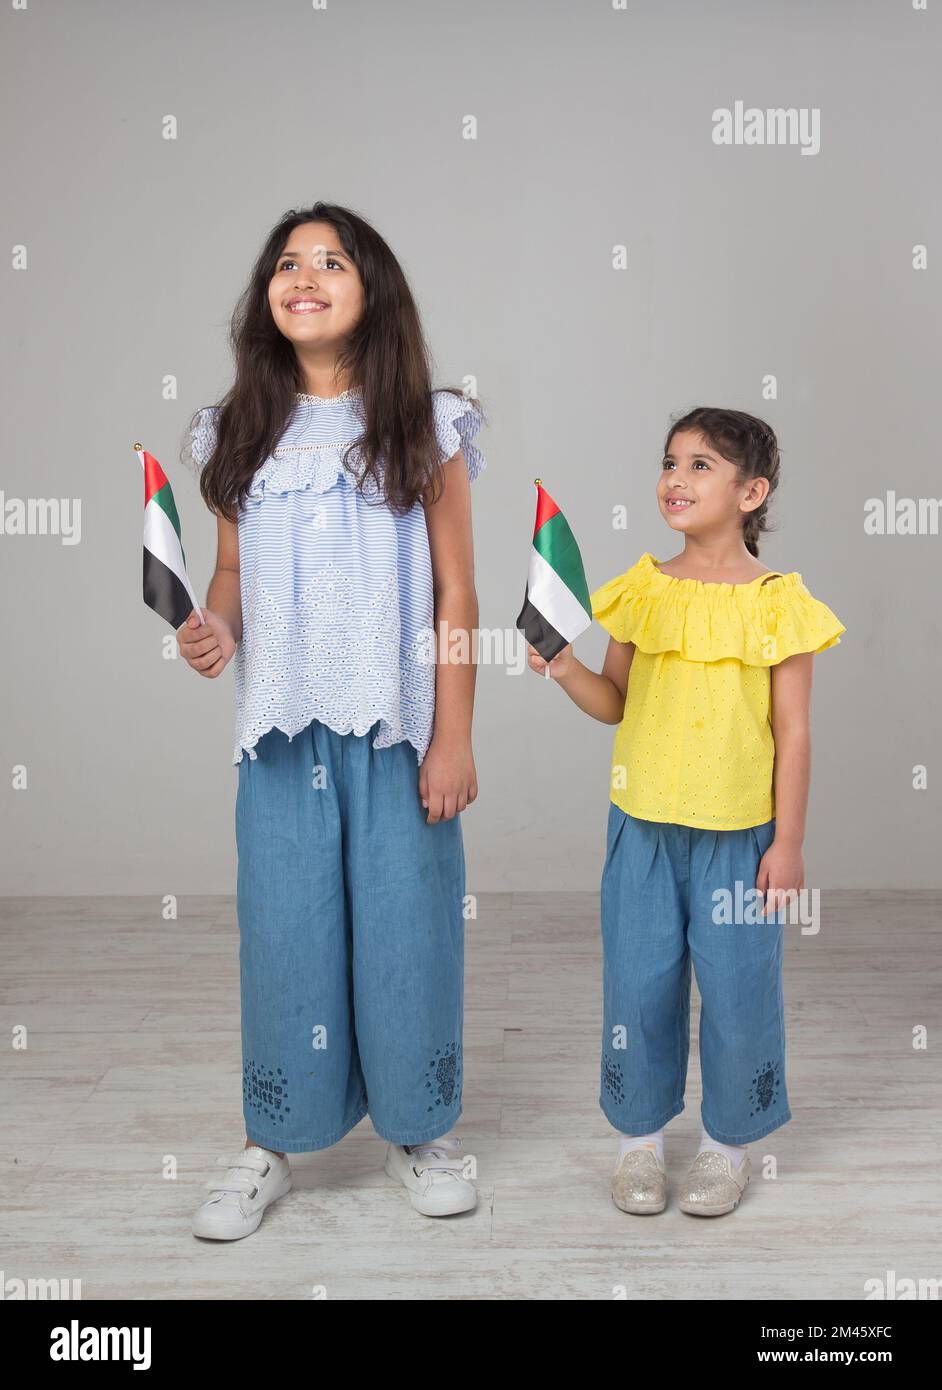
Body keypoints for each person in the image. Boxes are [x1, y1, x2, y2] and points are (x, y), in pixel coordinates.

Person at [178, 203, 485, 1239]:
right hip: (279, 732)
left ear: (373, 291)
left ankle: (417, 1128)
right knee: (286, 929)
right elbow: (227, 575)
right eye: (286, 262)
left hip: (398, 729)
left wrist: (454, 735)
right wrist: (215, 628)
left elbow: (456, 594)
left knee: (407, 925)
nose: (303, 275)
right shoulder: (238, 432)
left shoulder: (422, 426)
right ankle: (273, 1137)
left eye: (331, 261)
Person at [528, 407, 845, 1217]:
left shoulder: (780, 603)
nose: (676, 477)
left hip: (741, 838)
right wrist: (565, 670)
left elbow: (794, 732)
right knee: (638, 984)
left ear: (752, 491)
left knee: (739, 987)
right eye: (671, 461)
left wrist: (792, 841)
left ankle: (726, 1147)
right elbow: (615, 704)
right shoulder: (642, 591)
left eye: (702, 465)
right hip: (642, 830)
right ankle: (637, 1142)